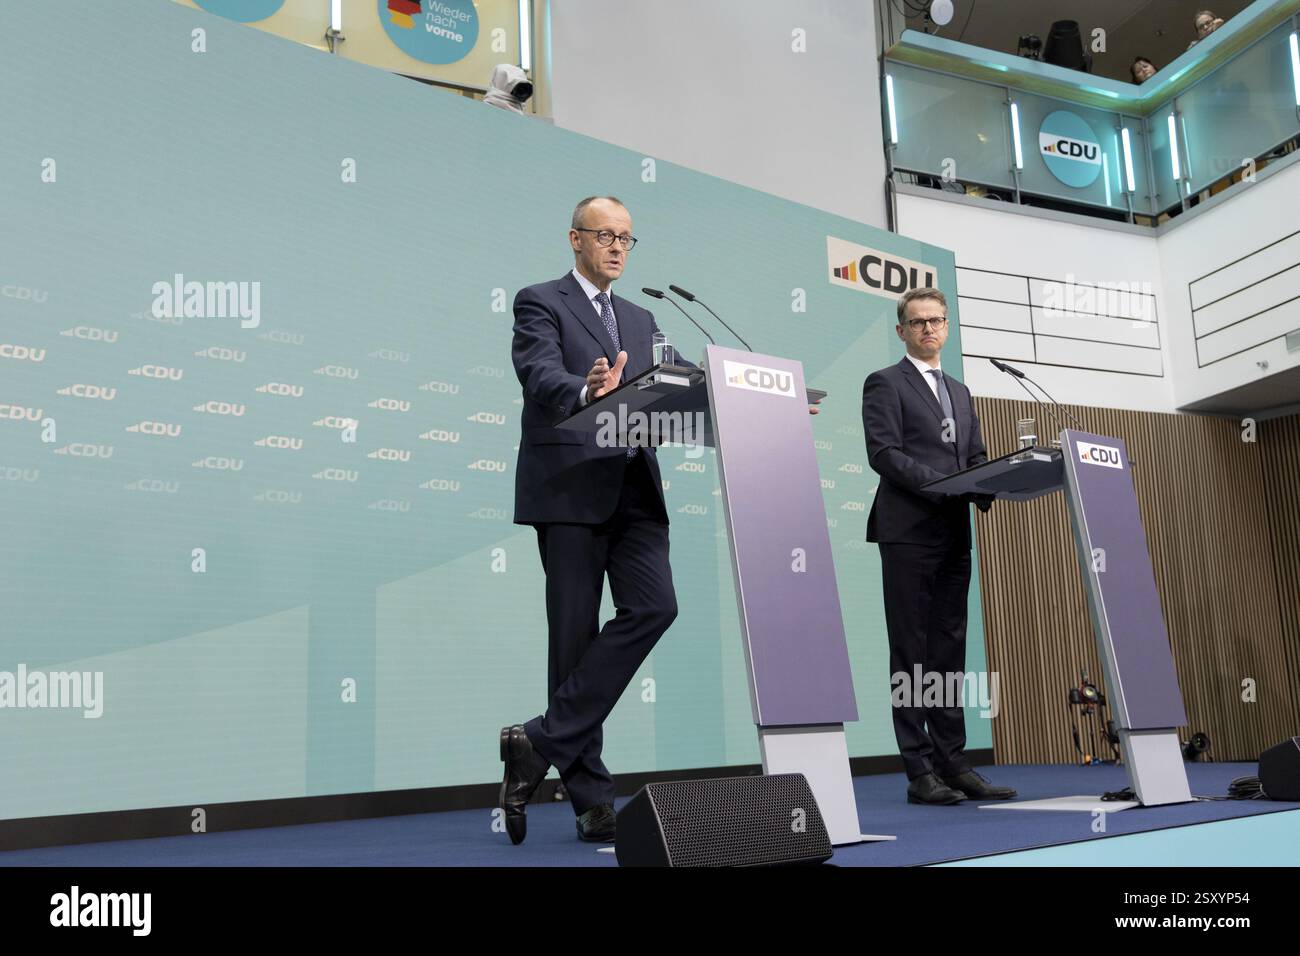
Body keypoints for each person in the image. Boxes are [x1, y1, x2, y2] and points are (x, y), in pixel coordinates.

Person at [500, 196, 680, 844]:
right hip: (571, 490)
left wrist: (750, 394)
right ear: (574, 238)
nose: (617, 248)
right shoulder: (539, 301)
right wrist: (585, 387)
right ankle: (591, 799)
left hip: (635, 489)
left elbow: (679, 381)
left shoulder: (643, 317)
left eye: (628, 239)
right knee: (572, 644)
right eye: (605, 235)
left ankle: (536, 743)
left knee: (655, 607)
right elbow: (538, 373)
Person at [861, 287, 1017, 806]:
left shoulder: (961, 391)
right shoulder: (884, 383)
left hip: (953, 534)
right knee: (912, 653)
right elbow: (883, 453)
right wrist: (940, 485)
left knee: (949, 651)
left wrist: (1001, 478)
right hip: (907, 532)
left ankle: (953, 762)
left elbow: (974, 455)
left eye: (937, 321)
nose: (929, 329)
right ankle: (918, 769)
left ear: (947, 328)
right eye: (918, 322)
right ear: (901, 330)